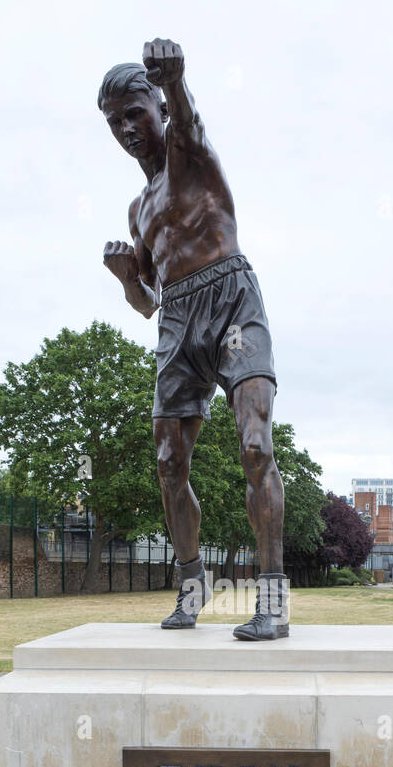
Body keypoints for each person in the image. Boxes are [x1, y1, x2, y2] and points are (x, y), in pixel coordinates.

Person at [99, 39, 288, 640]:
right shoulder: (138, 211)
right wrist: (130, 279)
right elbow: (147, 303)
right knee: (167, 462)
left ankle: (273, 603)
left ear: (157, 107)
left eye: (136, 112)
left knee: (255, 446)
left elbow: (189, 117)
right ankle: (191, 586)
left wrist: (176, 80)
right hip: (177, 320)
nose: (128, 128)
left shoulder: (190, 151)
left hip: (231, 303)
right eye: (115, 122)